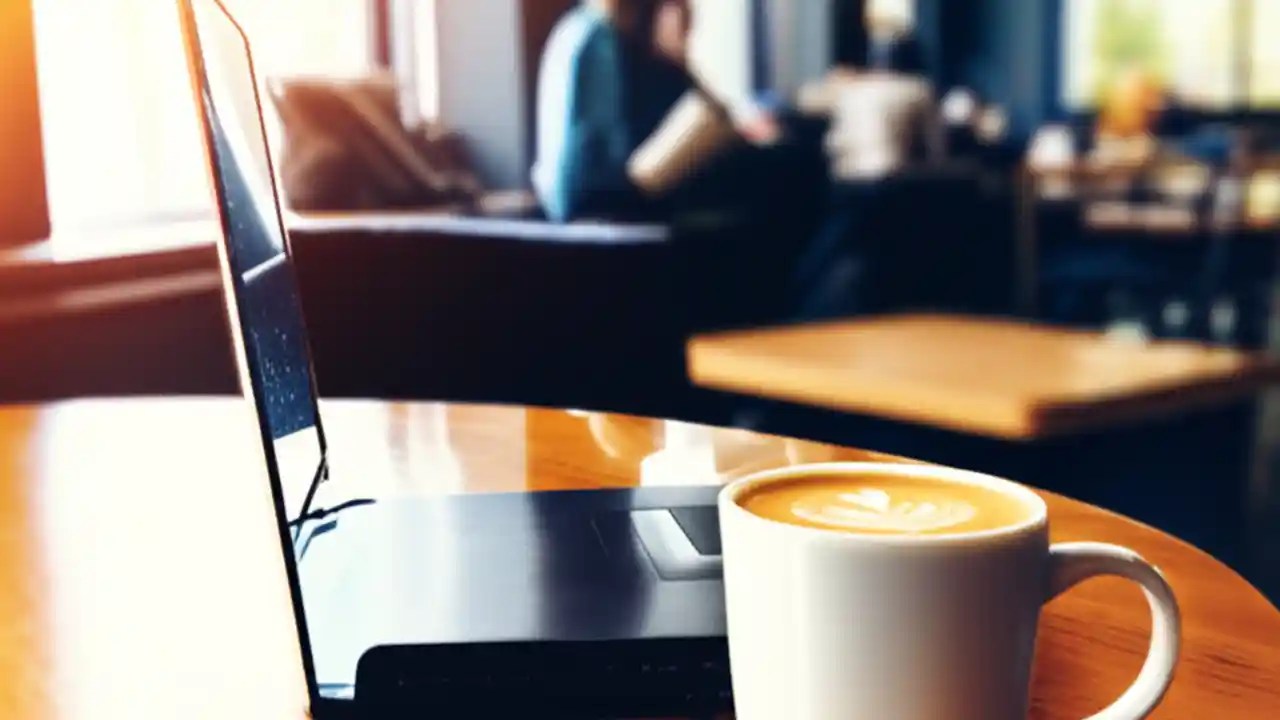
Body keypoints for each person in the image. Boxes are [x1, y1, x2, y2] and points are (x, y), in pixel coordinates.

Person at [532, 0, 740, 222]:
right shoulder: (595, 40)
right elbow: (587, 191)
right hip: (611, 215)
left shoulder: (629, 40)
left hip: (638, 204)